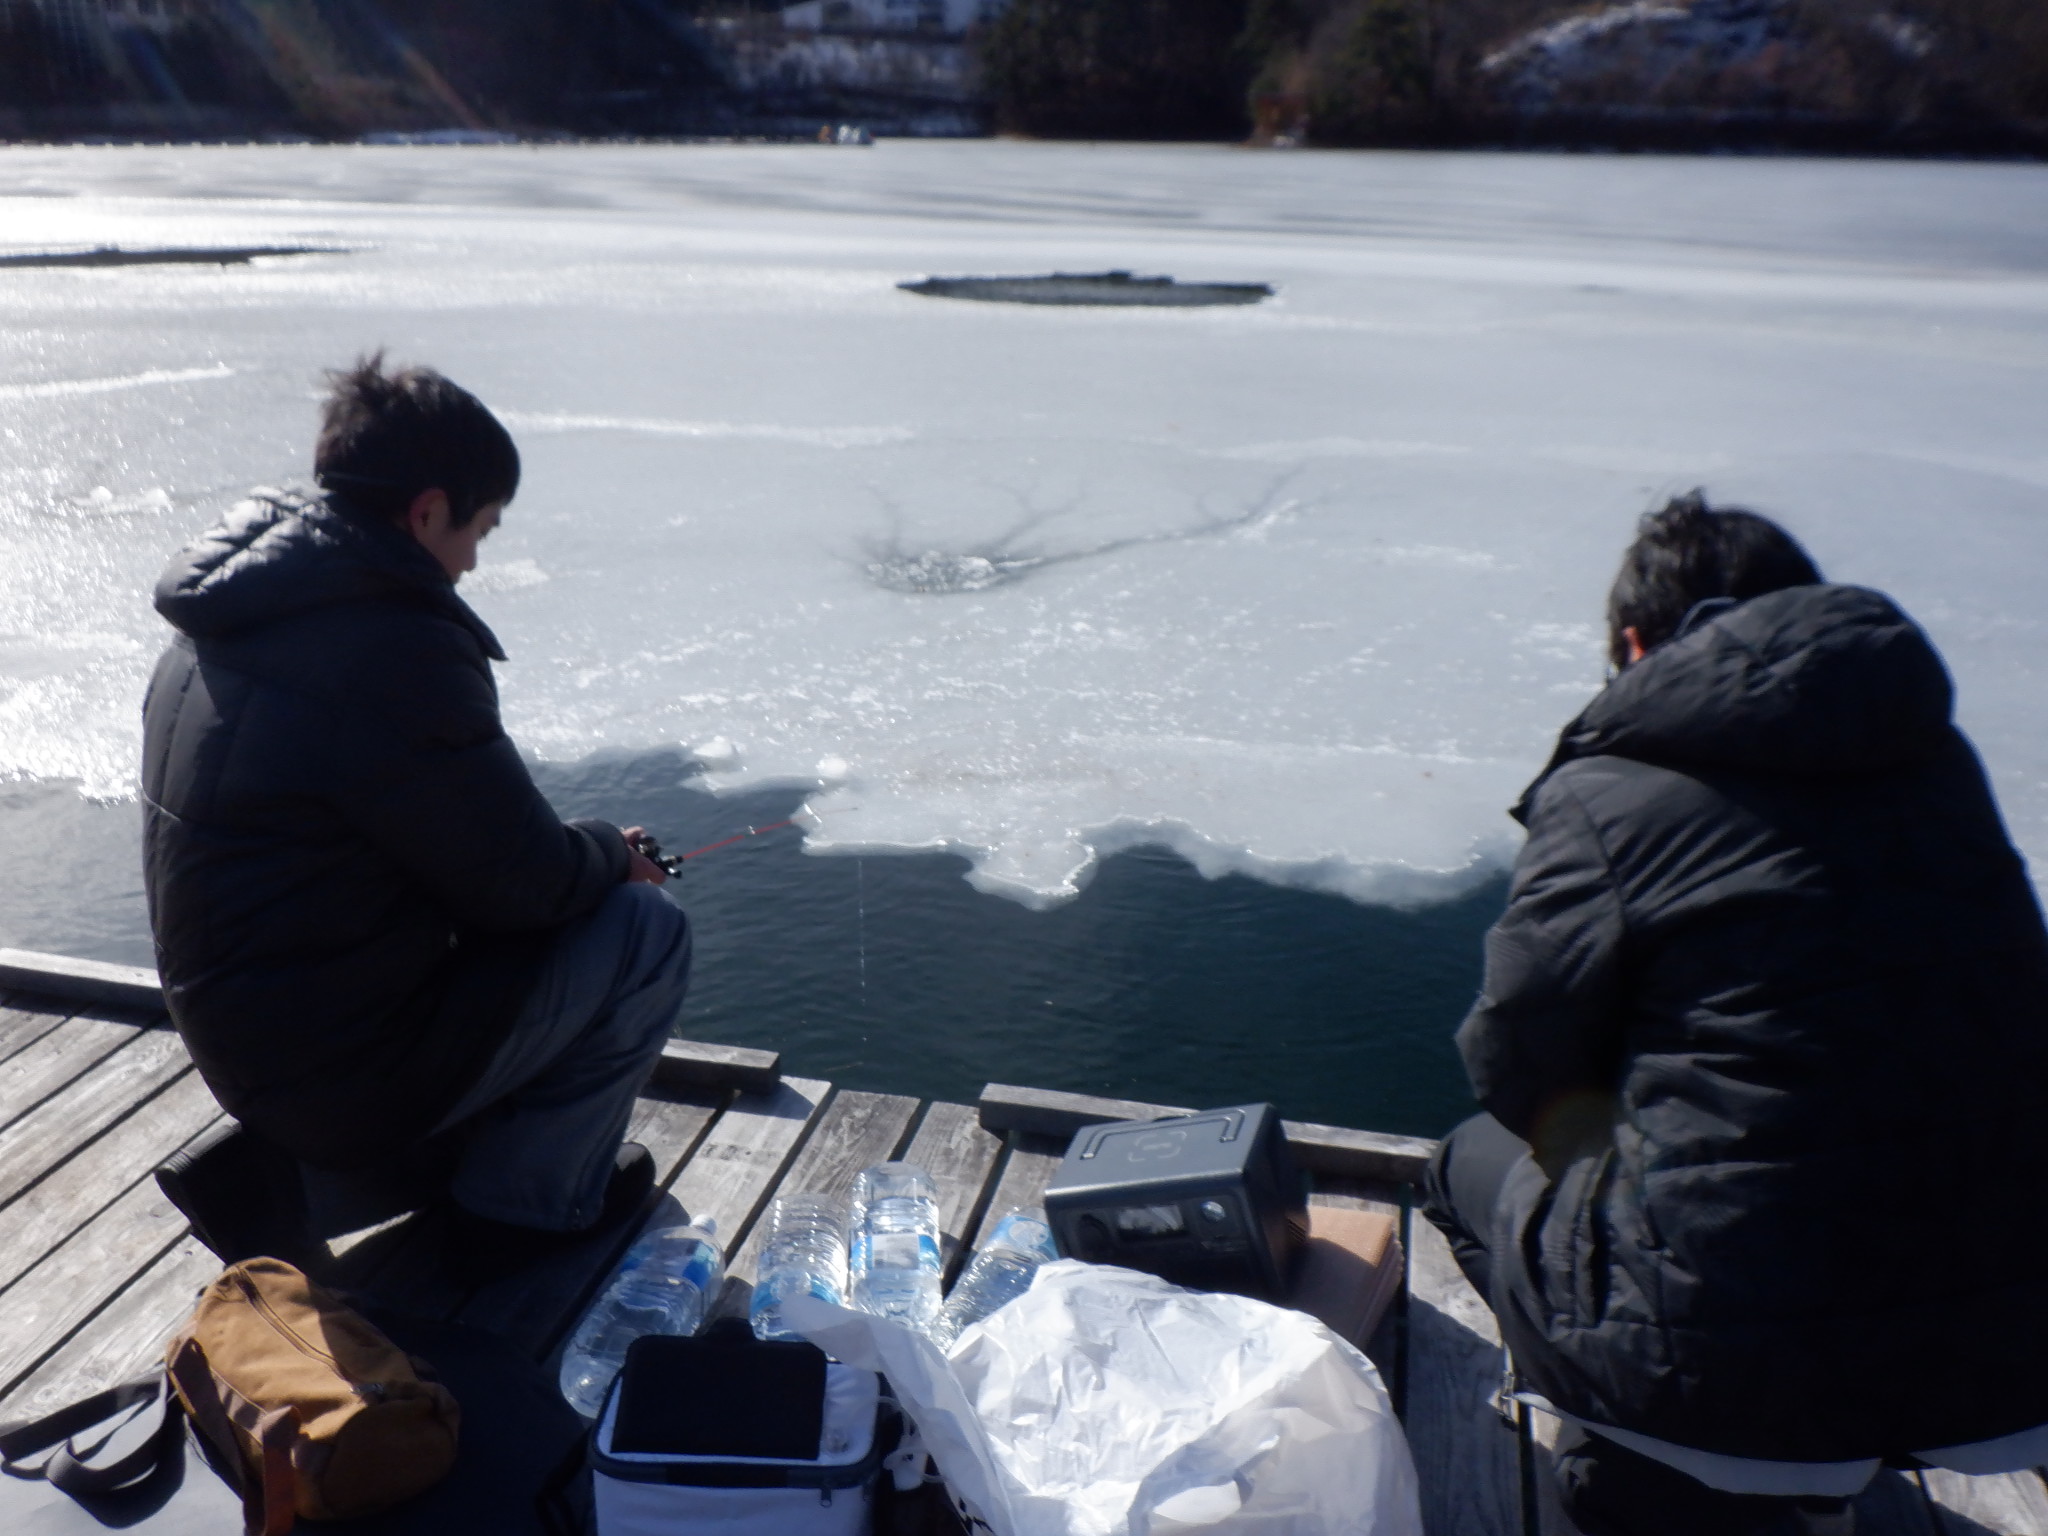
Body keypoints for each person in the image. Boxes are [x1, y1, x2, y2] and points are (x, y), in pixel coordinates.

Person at [1421, 493, 2048, 1535]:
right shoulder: (1936, 761)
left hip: (1741, 1363)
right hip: (2011, 1353)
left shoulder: (1610, 790)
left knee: (1460, 1168)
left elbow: (1518, 1065)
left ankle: (1642, 1448)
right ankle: (1794, 1453)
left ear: (1634, 646)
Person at [142, 355, 691, 1273]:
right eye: (480, 529)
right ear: (428, 511)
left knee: (522, 928)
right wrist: (608, 852)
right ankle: (528, 1210)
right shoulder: (392, 647)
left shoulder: (231, 611)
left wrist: (574, 857)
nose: (473, 559)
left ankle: (291, 1184)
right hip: (334, 1074)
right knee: (644, 930)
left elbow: (445, 838)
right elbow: (522, 883)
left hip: (251, 1043)